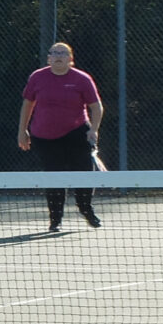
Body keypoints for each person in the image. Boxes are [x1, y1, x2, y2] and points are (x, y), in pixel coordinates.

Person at [17, 41, 104, 232]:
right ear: (48, 58)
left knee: (84, 175)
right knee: (54, 177)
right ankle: (55, 219)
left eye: (63, 53)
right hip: (44, 137)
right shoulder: (37, 78)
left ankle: (86, 209)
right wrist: (22, 130)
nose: (58, 56)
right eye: (54, 53)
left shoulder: (82, 79)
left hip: (76, 133)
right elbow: (28, 104)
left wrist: (93, 129)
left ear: (70, 59)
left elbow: (96, 107)